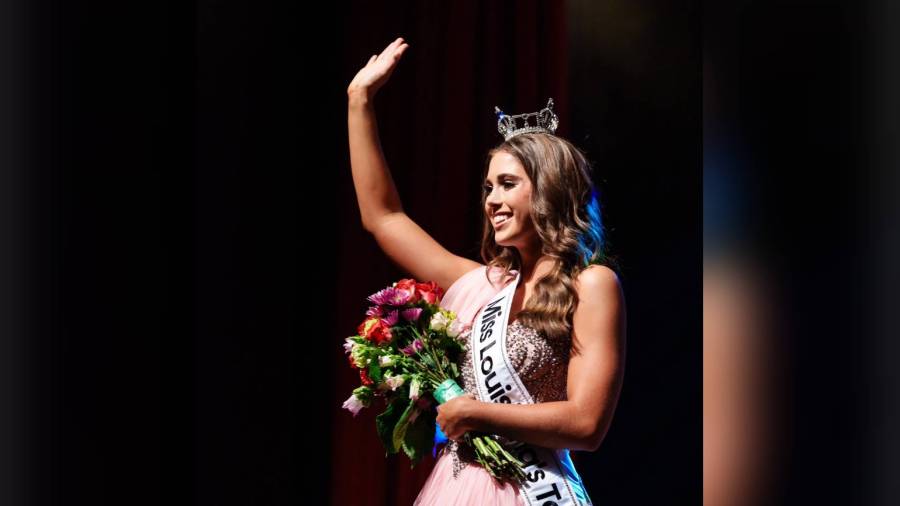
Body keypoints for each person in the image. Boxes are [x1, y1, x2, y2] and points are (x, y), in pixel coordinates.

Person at [347, 37, 626, 506]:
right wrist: (359, 101)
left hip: (533, 492)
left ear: (549, 191)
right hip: (456, 487)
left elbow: (587, 424)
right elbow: (384, 218)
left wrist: (478, 412)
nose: (491, 200)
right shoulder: (482, 285)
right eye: (488, 187)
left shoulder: (591, 284)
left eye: (508, 184)